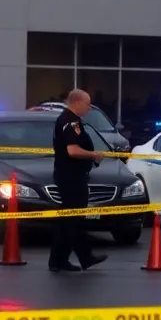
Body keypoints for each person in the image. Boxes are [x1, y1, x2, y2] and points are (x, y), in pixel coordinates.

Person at [49, 88, 107, 272]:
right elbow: (72, 150)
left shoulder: (71, 120)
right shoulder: (70, 122)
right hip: (71, 177)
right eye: (87, 104)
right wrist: (94, 155)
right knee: (74, 218)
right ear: (77, 102)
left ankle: (58, 260)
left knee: (69, 219)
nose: (89, 108)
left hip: (71, 175)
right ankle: (85, 256)